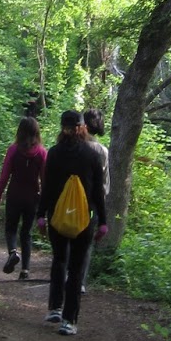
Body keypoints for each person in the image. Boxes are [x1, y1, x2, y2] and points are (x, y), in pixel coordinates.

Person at [37, 109, 107, 336]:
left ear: (62, 128)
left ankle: (55, 308)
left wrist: (40, 215)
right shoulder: (92, 155)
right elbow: (98, 192)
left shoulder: (54, 153)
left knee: (59, 260)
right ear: (82, 127)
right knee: (76, 268)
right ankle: (69, 320)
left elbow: (47, 187)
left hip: (57, 216)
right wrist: (103, 221)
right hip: (84, 218)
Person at [0, 116, 47, 280]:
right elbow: (45, 179)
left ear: (20, 131)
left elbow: (4, 176)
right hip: (32, 197)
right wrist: (45, 203)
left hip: (14, 195)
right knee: (26, 232)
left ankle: (13, 252)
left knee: (11, 228)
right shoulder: (42, 153)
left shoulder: (13, 149)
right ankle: (25, 270)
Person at [79, 108, 109, 295]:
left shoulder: (72, 146)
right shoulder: (102, 151)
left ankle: (67, 273)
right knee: (86, 243)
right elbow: (104, 184)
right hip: (91, 203)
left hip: (70, 200)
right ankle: (80, 280)